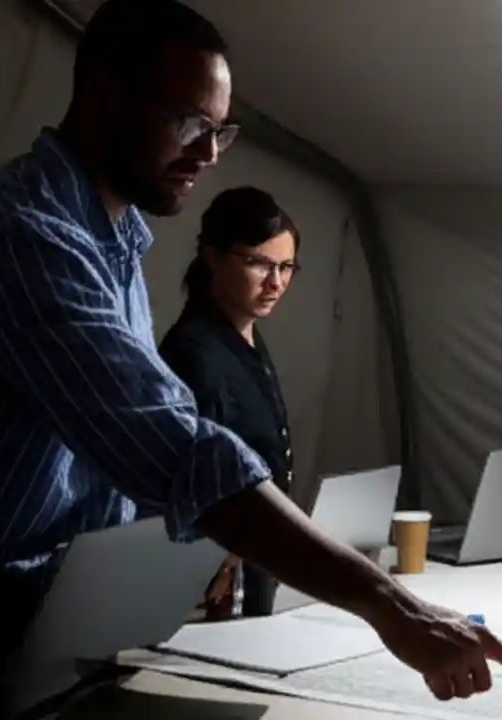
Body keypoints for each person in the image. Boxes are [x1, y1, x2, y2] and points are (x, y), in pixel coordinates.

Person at [0, 0, 502, 709]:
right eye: (189, 123)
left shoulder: (113, 241)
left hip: (54, 636)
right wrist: (391, 606)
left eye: (221, 132)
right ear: (103, 96)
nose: (209, 155)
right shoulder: (24, 236)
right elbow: (177, 450)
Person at [159, 187, 304, 619]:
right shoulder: (195, 351)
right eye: (258, 263)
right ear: (212, 257)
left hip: (256, 558)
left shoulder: (245, 335)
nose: (275, 282)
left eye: (286, 267)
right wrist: (223, 559)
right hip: (214, 575)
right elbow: (191, 480)